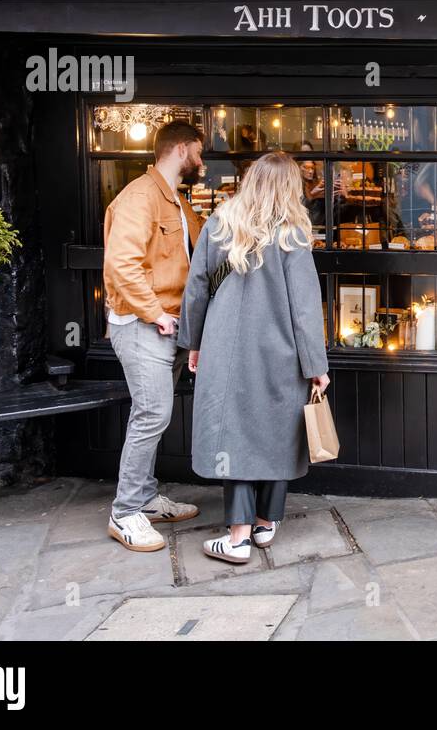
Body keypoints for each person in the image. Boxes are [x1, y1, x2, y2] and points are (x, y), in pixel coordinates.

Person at [178, 151, 331, 564]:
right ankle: (264, 524)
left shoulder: (220, 223)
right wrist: (316, 366)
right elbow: (304, 307)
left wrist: (194, 342)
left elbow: (196, 289)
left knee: (236, 434)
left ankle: (238, 536)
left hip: (226, 348)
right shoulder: (294, 234)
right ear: (289, 187)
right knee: (279, 431)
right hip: (281, 353)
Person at [103, 120, 205, 552]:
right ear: (182, 149)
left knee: (155, 416)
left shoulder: (177, 202)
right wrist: (157, 315)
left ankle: (144, 499)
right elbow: (121, 264)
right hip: (145, 325)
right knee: (152, 415)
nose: (202, 161)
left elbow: (206, 249)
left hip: (171, 325)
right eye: (199, 151)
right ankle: (124, 513)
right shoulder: (139, 197)